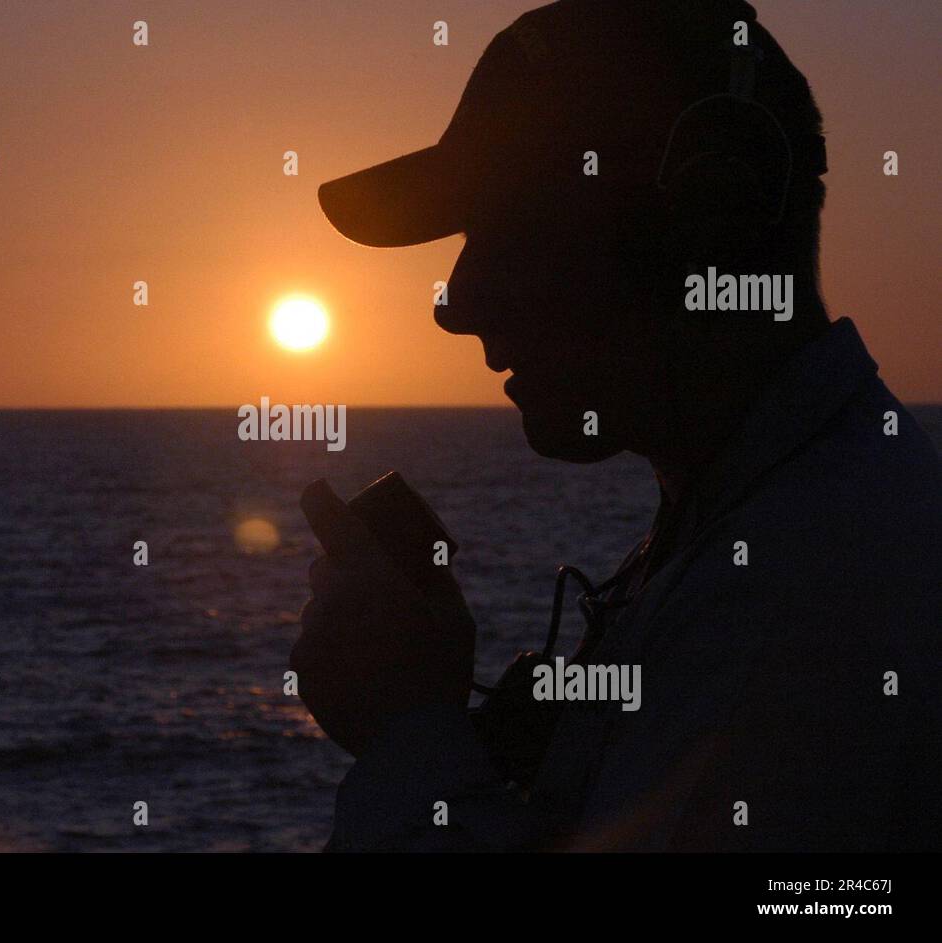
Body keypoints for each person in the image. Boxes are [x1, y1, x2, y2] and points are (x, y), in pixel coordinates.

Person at [291, 0, 942, 851]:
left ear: (715, 211)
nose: (459, 301)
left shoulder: (810, 594)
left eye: (512, 230)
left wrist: (410, 733)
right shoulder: (764, 520)